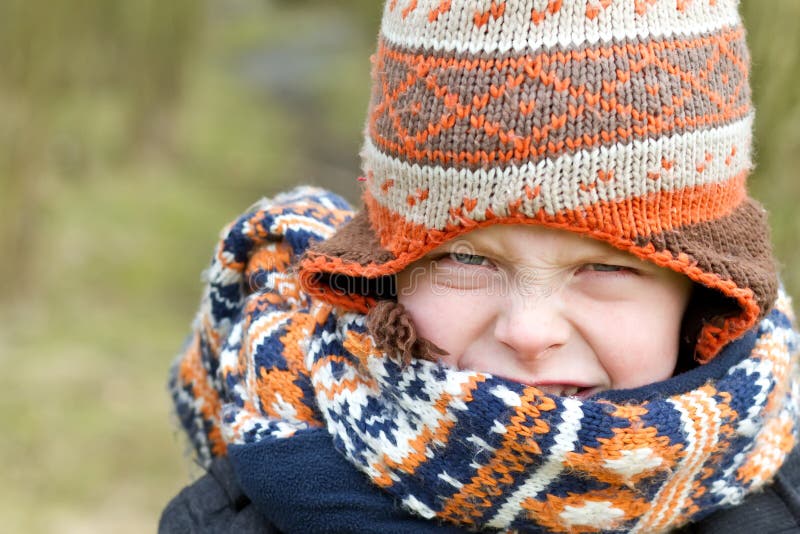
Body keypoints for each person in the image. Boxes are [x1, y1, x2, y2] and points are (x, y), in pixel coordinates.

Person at [160, 1, 800, 532]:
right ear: (386, 274)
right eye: (465, 259)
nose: (528, 332)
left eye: (606, 268)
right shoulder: (261, 498)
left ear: (703, 295)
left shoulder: (776, 506)